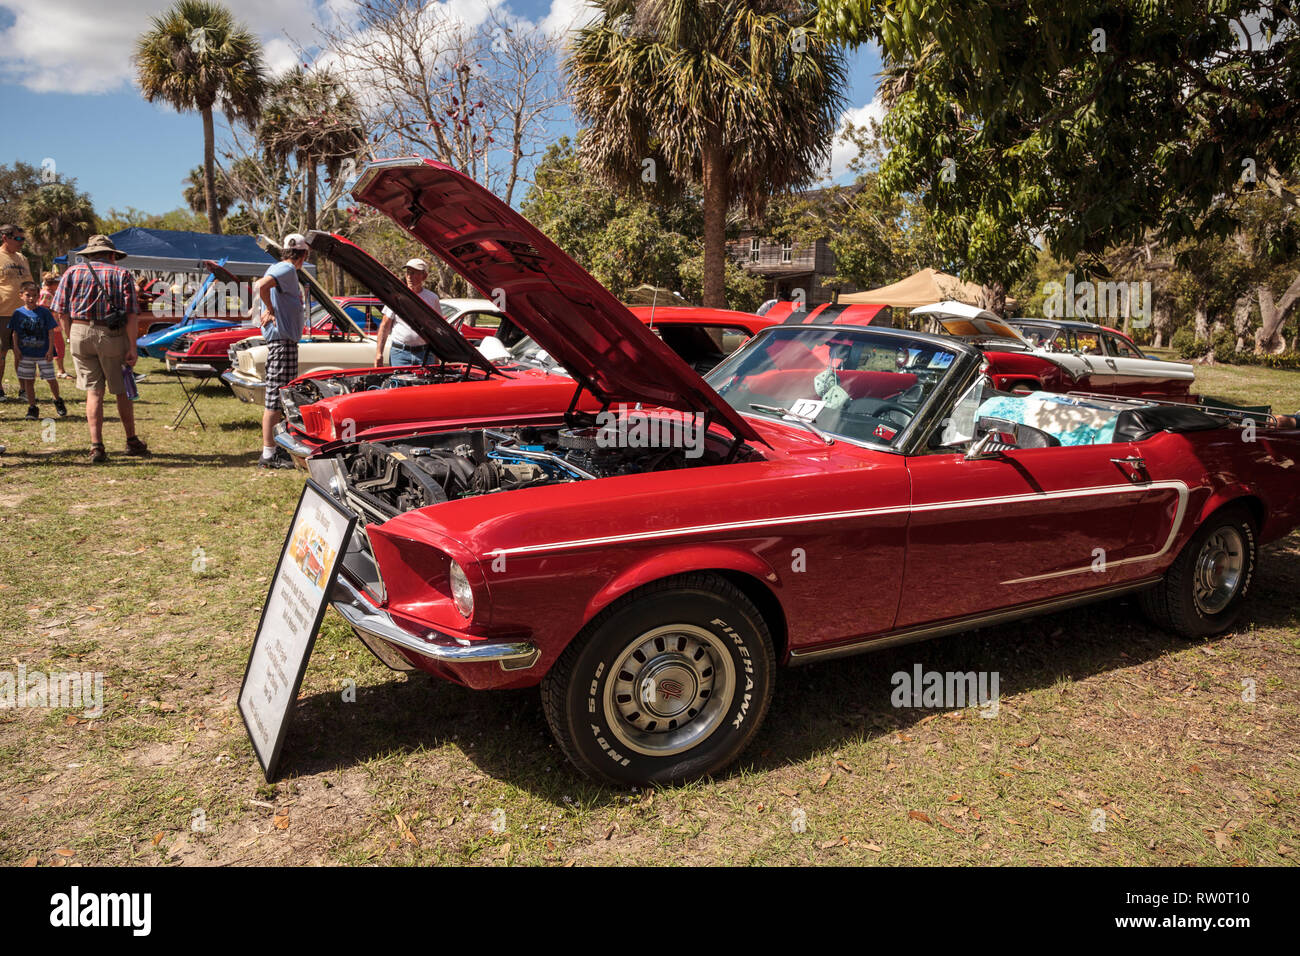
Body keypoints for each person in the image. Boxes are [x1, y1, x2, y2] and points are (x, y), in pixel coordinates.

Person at [50, 234, 148, 463]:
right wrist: (132, 346)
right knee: (121, 389)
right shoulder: (121, 274)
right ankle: (131, 440)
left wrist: (69, 334)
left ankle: (97, 446)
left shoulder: (72, 273)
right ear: (112, 255)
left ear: (89, 254)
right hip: (111, 334)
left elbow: (60, 311)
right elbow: (132, 314)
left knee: (93, 392)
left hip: (79, 331)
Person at [253, 232, 309, 469]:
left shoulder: (284, 270)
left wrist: (270, 307)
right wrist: (270, 308)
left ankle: (275, 449)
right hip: (282, 343)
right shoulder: (286, 270)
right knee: (274, 399)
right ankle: (268, 455)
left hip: (285, 343)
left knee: (280, 398)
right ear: (304, 254)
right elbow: (261, 285)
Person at [9, 281, 67, 419]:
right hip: (25, 354)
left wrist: (50, 350)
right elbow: (15, 332)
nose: (31, 298)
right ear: (21, 295)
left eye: (34, 295)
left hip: (43, 353)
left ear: (38, 296)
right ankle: (32, 407)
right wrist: (16, 349)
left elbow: (51, 331)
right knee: (29, 381)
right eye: (28, 295)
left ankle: (57, 400)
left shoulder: (44, 312)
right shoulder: (18, 313)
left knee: (51, 379)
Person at [374, 258, 440, 367]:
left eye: (414, 273)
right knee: (399, 384)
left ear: (424, 276)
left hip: (425, 354)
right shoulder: (396, 296)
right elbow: (385, 325)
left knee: (427, 384)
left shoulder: (432, 298)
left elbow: (436, 330)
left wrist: (437, 357)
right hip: (400, 354)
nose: (410, 276)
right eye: (408, 272)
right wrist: (379, 354)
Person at [0, 223, 34, 400]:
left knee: (22, 353)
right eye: (18, 238)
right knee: (1, 352)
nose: (21, 242)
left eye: (23, 239)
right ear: (5, 238)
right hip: (2, 314)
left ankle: (24, 390)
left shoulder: (22, 258)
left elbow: (29, 284)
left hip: (22, 314)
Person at [38, 272, 70, 379]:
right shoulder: (46, 294)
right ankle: (59, 371)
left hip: (53, 325)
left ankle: (58, 370)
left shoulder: (49, 292)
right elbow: (42, 310)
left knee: (57, 347)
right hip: (51, 326)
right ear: (53, 283)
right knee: (58, 347)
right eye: (58, 282)